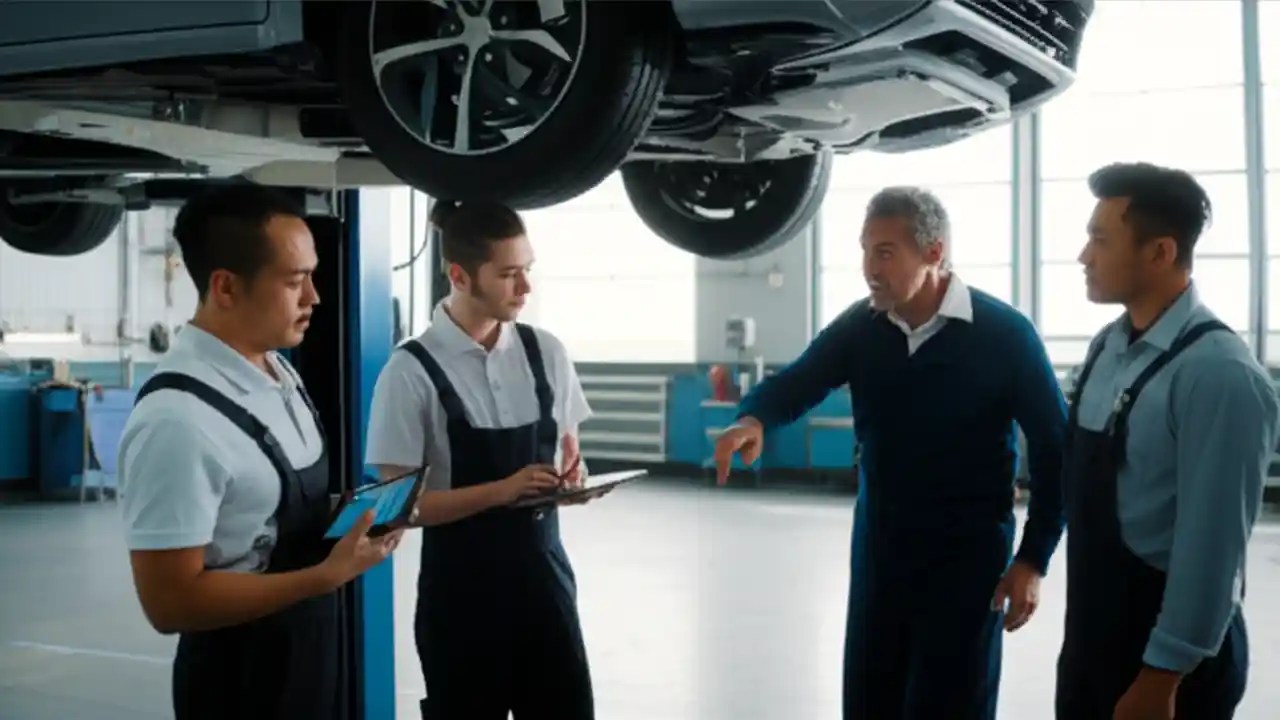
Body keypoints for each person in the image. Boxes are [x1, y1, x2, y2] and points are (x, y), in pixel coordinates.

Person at [715, 186, 1068, 720]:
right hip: (881, 552)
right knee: (870, 698)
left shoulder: (1005, 336)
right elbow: (801, 379)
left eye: (884, 252)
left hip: (966, 562)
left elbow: (1054, 448)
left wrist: (1033, 558)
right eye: (864, 250)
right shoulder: (863, 326)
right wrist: (753, 417)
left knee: (951, 703)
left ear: (933, 253)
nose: (868, 268)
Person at [118, 185, 403, 720]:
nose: (314, 297)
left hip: (310, 658)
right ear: (225, 287)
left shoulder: (276, 370)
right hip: (241, 682)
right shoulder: (178, 421)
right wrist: (321, 578)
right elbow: (170, 602)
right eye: (295, 281)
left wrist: (353, 512)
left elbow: (266, 507)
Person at [1055, 162, 1279, 720]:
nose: (1084, 256)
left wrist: (1161, 678)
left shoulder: (1219, 376)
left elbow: (1212, 549)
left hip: (1172, 672)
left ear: (1160, 252)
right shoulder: (1108, 346)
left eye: (1101, 240)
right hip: (1091, 642)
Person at [365, 199, 602, 719]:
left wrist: (573, 480)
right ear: (460, 275)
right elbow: (394, 510)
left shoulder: (548, 353)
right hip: (463, 602)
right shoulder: (410, 373)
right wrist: (501, 490)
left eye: (528, 271)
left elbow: (570, 455)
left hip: (547, 589)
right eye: (509, 274)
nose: (526, 289)